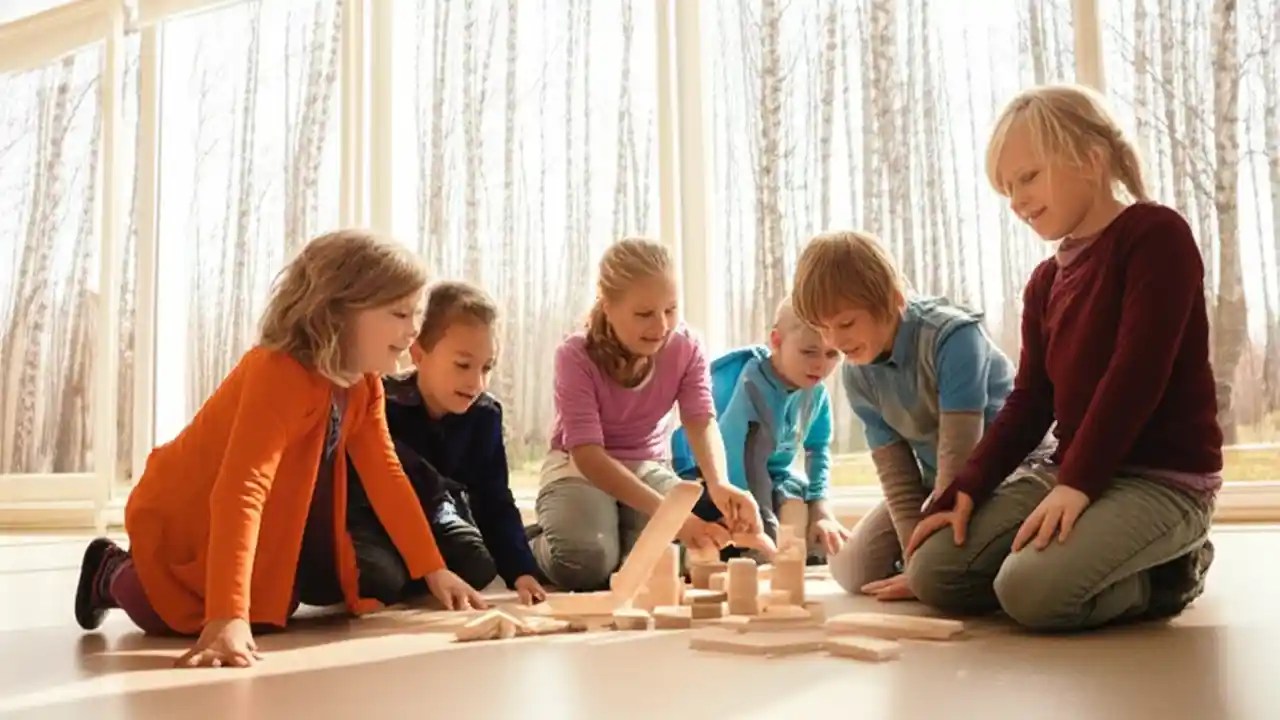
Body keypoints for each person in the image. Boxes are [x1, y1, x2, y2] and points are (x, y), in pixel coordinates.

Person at [74, 230, 483, 668]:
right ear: (338, 312)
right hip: (187, 513)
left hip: (266, 522)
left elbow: (386, 475)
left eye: (415, 314)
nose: (412, 330)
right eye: (400, 313)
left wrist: (432, 568)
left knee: (272, 609)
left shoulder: (364, 384)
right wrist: (226, 615)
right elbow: (241, 489)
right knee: (168, 608)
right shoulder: (277, 372)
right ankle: (109, 570)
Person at [905, 83, 1222, 631]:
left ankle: (1172, 571)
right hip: (1074, 469)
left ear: (1092, 160)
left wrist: (1078, 485)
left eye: (1027, 177)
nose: (1017, 200)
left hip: (1160, 480)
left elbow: (1136, 373)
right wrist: (967, 487)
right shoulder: (1045, 283)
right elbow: (1030, 402)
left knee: (1030, 593)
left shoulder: (1156, 235)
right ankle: (1084, 558)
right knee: (933, 573)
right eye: (1007, 189)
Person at [790, 229, 1015, 600]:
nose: (834, 343)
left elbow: (958, 458)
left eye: (845, 324)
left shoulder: (953, 338)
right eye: (822, 328)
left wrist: (925, 565)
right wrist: (915, 555)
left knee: (935, 573)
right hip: (937, 483)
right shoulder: (856, 372)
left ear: (893, 300)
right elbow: (897, 475)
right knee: (851, 569)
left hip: (997, 476)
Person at [528, 238, 760, 591]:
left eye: (671, 309)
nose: (661, 325)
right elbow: (587, 455)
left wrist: (718, 483)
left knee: (658, 564)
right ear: (608, 306)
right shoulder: (575, 355)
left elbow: (700, 420)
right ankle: (526, 541)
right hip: (578, 468)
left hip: (645, 465)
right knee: (585, 565)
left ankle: (614, 525)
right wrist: (675, 520)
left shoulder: (687, 347)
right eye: (644, 313)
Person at [346, 280, 548, 606]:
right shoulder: (381, 402)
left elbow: (494, 498)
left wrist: (522, 572)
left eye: (487, 368)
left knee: (479, 568)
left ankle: (425, 575)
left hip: (444, 523)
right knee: (378, 575)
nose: (476, 381)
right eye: (463, 365)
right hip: (382, 526)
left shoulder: (485, 415)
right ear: (418, 354)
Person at [670, 299, 848, 559]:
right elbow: (741, 456)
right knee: (757, 535)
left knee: (799, 507)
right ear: (776, 341)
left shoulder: (816, 391)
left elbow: (818, 449)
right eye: (809, 352)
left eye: (833, 354)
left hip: (772, 474)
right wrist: (758, 526)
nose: (821, 365)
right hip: (714, 475)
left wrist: (821, 507)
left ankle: (797, 557)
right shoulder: (754, 384)